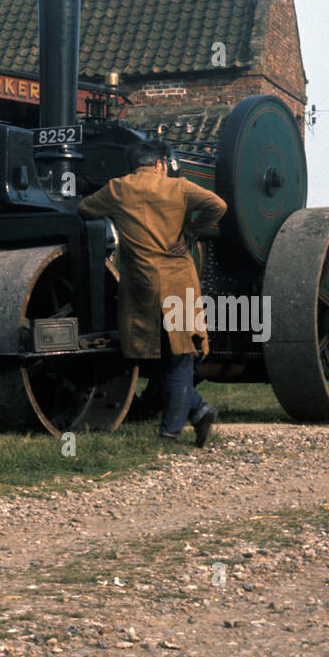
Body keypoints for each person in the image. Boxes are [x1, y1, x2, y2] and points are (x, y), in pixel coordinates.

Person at [77, 141, 227, 446]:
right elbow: (218, 206)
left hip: (142, 286)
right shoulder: (180, 187)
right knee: (181, 356)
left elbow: (84, 208)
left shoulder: (118, 189)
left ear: (134, 166)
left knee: (160, 357)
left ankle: (198, 412)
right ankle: (174, 429)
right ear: (160, 163)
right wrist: (191, 231)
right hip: (179, 282)